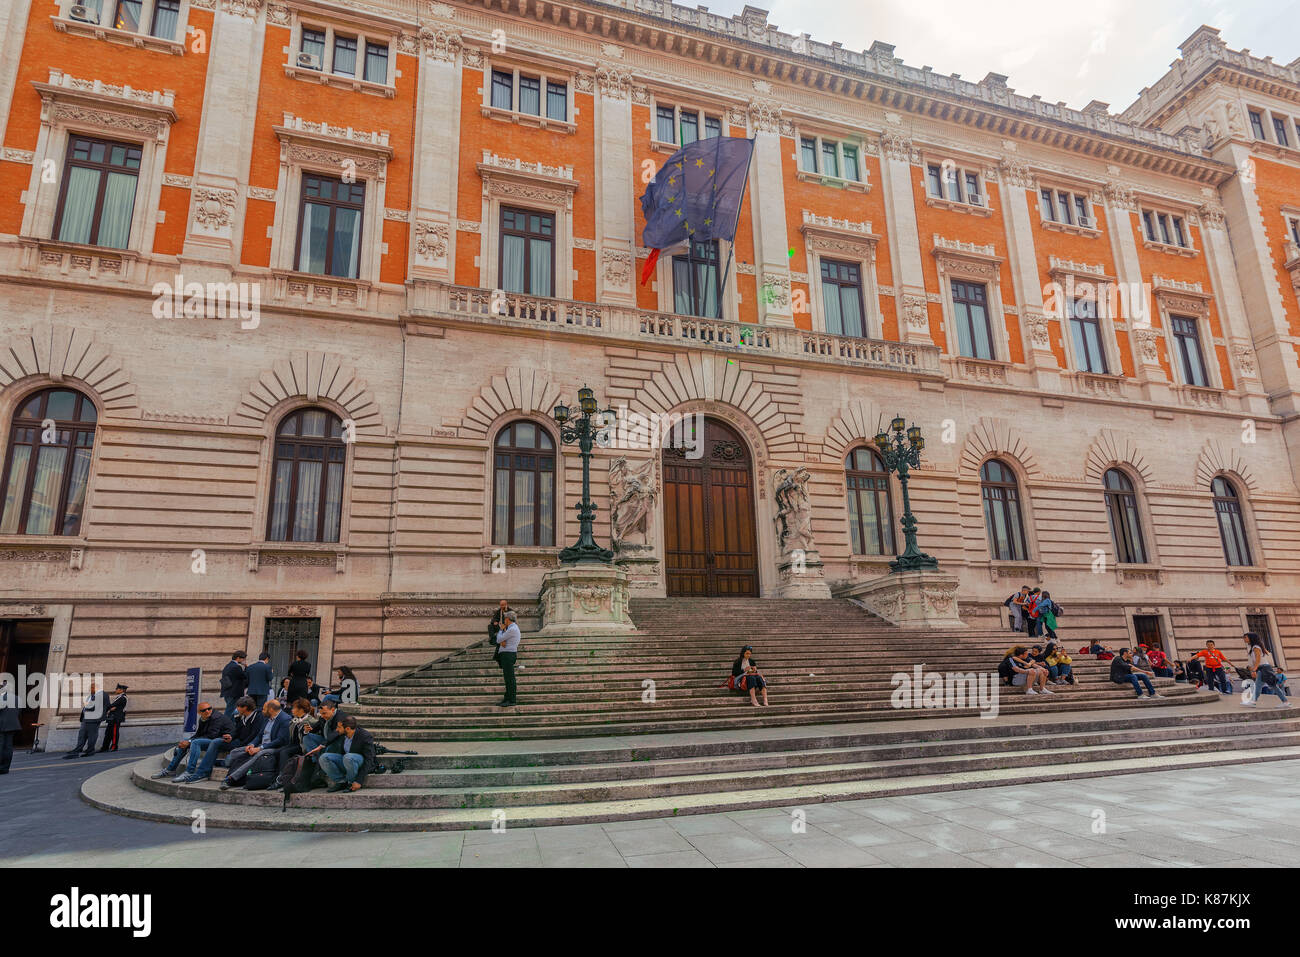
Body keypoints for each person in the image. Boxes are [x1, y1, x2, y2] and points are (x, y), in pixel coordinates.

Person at [151, 702, 235, 781]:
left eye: (209, 708)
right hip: (212, 740)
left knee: (195, 742)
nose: (207, 711)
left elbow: (212, 735)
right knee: (184, 744)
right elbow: (199, 734)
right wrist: (187, 741)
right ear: (199, 712)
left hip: (223, 742)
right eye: (204, 710)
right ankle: (170, 770)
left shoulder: (217, 718)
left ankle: (189, 772)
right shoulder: (203, 719)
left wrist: (191, 742)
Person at [222, 699, 293, 789]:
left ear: (271, 709)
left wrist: (260, 748)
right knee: (235, 752)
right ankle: (226, 767)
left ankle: (230, 778)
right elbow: (259, 736)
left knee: (258, 754)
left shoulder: (284, 719)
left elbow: (280, 740)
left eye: (264, 709)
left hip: (274, 747)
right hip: (261, 745)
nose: (262, 711)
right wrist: (252, 745)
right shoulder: (267, 718)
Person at [320, 715, 377, 793]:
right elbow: (330, 738)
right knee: (324, 757)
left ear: (347, 728)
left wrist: (359, 780)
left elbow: (370, 759)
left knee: (348, 757)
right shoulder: (343, 734)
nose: (337, 729)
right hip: (345, 760)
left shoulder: (365, 736)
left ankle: (351, 782)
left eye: (339, 727)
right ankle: (341, 782)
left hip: (358, 762)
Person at [1241, 632, 1290, 708]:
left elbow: (1258, 660)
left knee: (1272, 686)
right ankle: (1253, 701)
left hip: (1263, 669)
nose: (1244, 639)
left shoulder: (1256, 647)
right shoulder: (1256, 647)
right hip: (1263, 668)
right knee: (1261, 686)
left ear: (1251, 638)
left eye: (1245, 637)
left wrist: (1254, 670)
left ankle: (1285, 702)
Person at [63, 681, 110, 758]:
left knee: (92, 735)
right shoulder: (93, 694)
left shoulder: (102, 694)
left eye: (90, 688)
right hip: (87, 717)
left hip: (94, 718)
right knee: (82, 734)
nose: (89, 690)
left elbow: (106, 706)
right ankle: (78, 749)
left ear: (94, 688)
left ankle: (90, 750)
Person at [495, 610, 522, 707]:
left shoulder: (512, 629)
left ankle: (511, 700)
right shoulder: (511, 628)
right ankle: (507, 698)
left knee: (510, 678)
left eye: (505, 619)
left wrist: (501, 630)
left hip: (508, 655)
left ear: (508, 619)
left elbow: (498, 639)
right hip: (508, 654)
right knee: (508, 678)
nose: (504, 621)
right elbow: (502, 641)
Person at [98, 684, 129, 752]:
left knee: (114, 733)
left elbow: (113, 706)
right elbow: (113, 707)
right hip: (112, 718)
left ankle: (114, 747)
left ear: (121, 690)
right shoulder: (119, 697)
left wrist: (106, 707)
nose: (115, 690)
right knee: (108, 733)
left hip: (116, 718)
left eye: (117, 689)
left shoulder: (122, 698)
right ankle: (105, 747)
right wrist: (111, 708)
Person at [0, 674, 20, 774]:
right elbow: (18, 711)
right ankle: (5, 768)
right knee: (8, 747)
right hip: (12, 725)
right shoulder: (17, 698)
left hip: (1, 725)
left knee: (1, 746)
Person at [220, 652, 248, 717]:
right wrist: (246, 667)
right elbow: (244, 676)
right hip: (233, 693)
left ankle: (231, 725)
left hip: (227, 692)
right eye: (243, 659)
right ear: (238, 658)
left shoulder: (227, 666)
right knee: (229, 711)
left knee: (231, 710)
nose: (244, 661)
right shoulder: (236, 667)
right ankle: (223, 724)